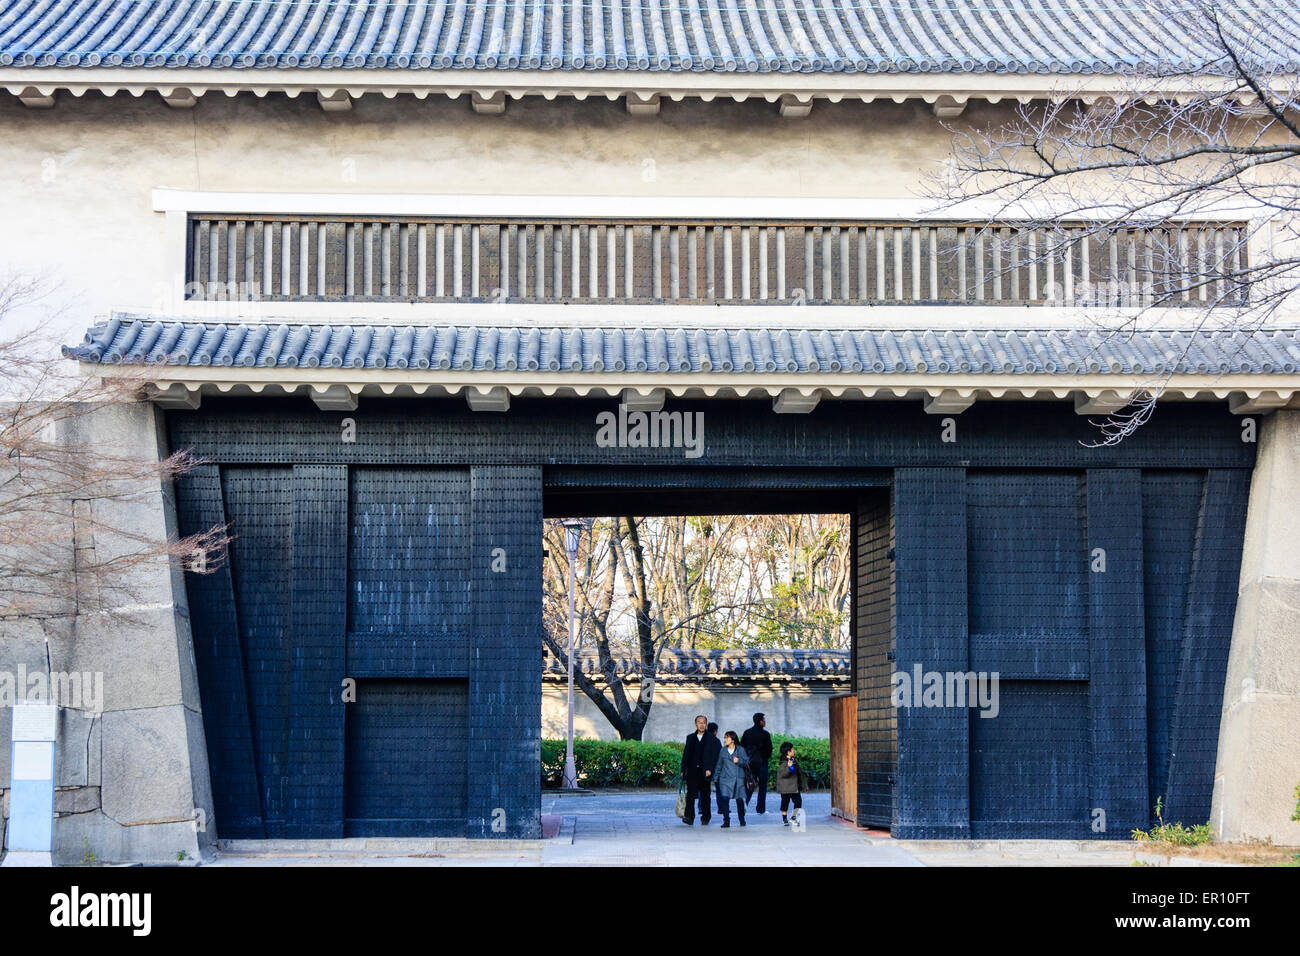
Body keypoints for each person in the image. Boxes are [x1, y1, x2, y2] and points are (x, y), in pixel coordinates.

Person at [680, 715, 720, 826]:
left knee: (705, 796)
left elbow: (715, 756)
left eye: (703, 722)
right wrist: (683, 769)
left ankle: (706, 817)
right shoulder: (690, 738)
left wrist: (710, 769)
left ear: (706, 724)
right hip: (692, 771)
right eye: (699, 722)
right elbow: (686, 755)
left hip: (705, 771)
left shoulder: (712, 739)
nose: (701, 725)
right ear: (695, 724)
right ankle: (689, 817)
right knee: (690, 795)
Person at [713, 731, 749, 828]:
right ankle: (726, 821)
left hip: (738, 779)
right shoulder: (723, 750)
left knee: (740, 801)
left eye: (727, 738)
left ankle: (742, 819)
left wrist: (739, 761)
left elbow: (747, 763)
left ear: (733, 739)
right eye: (724, 737)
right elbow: (719, 764)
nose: (725, 740)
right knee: (724, 799)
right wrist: (716, 777)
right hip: (725, 779)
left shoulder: (741, 750)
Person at [740, 712, 773, 813]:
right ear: (760, 721)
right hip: (762, 763)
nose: (765, 722)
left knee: (750, 784)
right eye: (764, 720)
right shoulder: (765, 734)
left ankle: (745, 803)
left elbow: (742, 748)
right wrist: (765, 757)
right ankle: (760, 809)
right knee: (762, 787)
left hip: (751, 764)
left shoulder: (747, 732)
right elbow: (769, 749)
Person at [776, 741, 807, 827]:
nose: (794, 751)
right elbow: (784, 774)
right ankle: (784, 819)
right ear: (788, 752)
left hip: (794, 787)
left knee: (798, 801)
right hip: (785, 788)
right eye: (792, 750)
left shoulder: (793, 760)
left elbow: (798, 773)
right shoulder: (783, 762)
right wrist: (789, 768)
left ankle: (793, 817)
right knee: (785, 803)